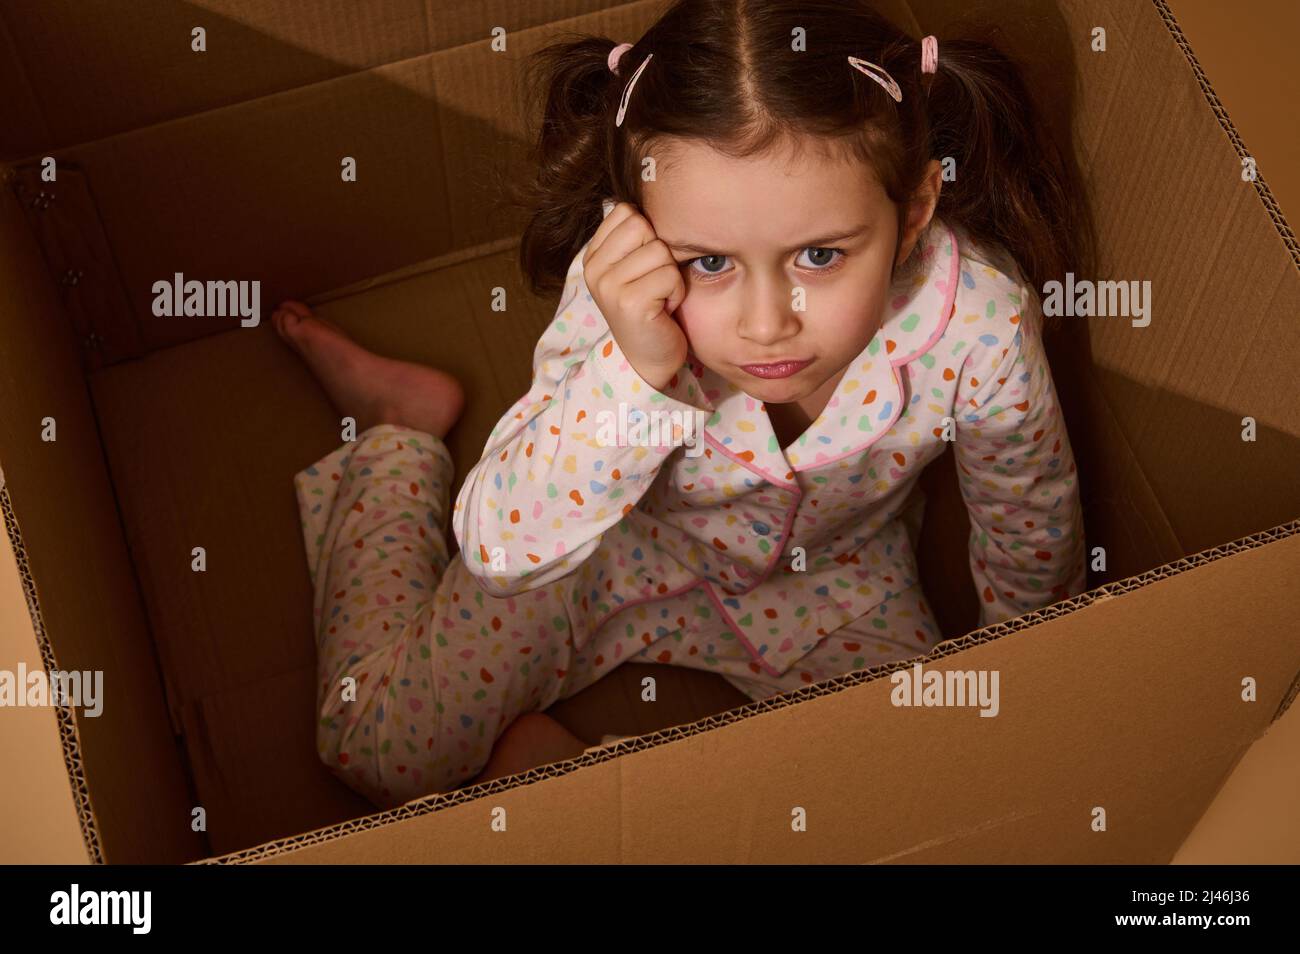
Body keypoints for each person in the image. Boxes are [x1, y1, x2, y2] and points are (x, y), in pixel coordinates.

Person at [276, 0, 1088, 809]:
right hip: (612, 555)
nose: (766, 324)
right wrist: (635, 372)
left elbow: (1027, 517)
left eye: (819, 255)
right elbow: (498, 544)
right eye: (708, 263)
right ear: (636, 226)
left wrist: (1018, 683)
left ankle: (579, 777)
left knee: (933, 791)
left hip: (836, 586)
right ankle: (397, 433)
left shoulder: (981, 321)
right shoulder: (619, 296)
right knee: (380, 745)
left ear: (912, 214)